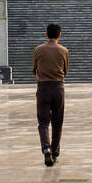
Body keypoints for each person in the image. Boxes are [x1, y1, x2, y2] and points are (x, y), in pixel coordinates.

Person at [32, 22, 69, 167]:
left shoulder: (38, 50)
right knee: (57, 122)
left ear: (46, 34)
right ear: (60, 35)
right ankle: (54, 152)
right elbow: (66, 71)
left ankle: (46, 147)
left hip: (43, 88)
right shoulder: (64, 51)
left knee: (43, 122)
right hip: (58, 88)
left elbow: (34, 69)